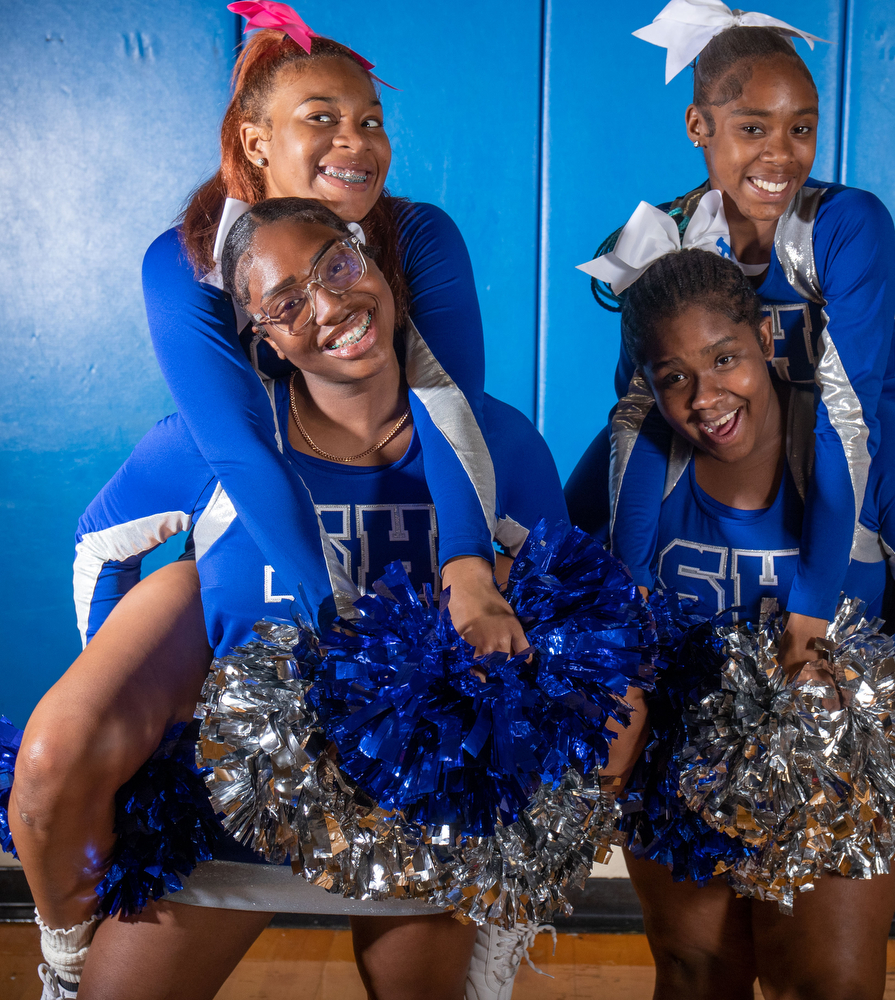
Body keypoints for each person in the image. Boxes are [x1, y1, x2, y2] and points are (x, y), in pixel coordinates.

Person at [9, 9, 542, 997]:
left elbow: (451, 409)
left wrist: (467, 571)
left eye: (370, 118)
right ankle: (65, 960)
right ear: (255, 142)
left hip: (413, 672)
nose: (357, 140)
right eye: (320, 117)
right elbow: (240, 452)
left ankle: (502, 922)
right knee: (66, 745)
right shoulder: (187, 261)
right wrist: (304, 649)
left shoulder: (418, 238)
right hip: (262, 628)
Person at [64, 199, 574, 1000]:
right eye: (287, 303)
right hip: (232, 805)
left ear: (374, 263)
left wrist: (511, 744)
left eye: (338, 266)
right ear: (262, 337)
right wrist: (133, 697)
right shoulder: (214, 444)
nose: (330, 306)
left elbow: (573, 598)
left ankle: (493, 950)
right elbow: (99, 547)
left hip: (420, 810)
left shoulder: (493, 441)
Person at [609, 242, 895, 1000]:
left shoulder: (883, 454)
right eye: (675, 377)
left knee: (823, 981)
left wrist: (855, 731)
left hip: (828, 739)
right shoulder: (637, 460)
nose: (706, 397)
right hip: (688, 741)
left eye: (725, 359)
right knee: (694, 968)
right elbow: (581, 580)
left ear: (765, 339)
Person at [567, 2, 895, 683]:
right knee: (567, 526)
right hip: (720, 432)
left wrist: (810, 612)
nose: (781, 153)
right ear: (698, 127)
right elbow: (641, 410)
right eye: (752, 128)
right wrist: (633, 582)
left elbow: (847, 415)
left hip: (850, 438)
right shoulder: (666, 236)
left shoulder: (846, 225)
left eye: (801, 128)